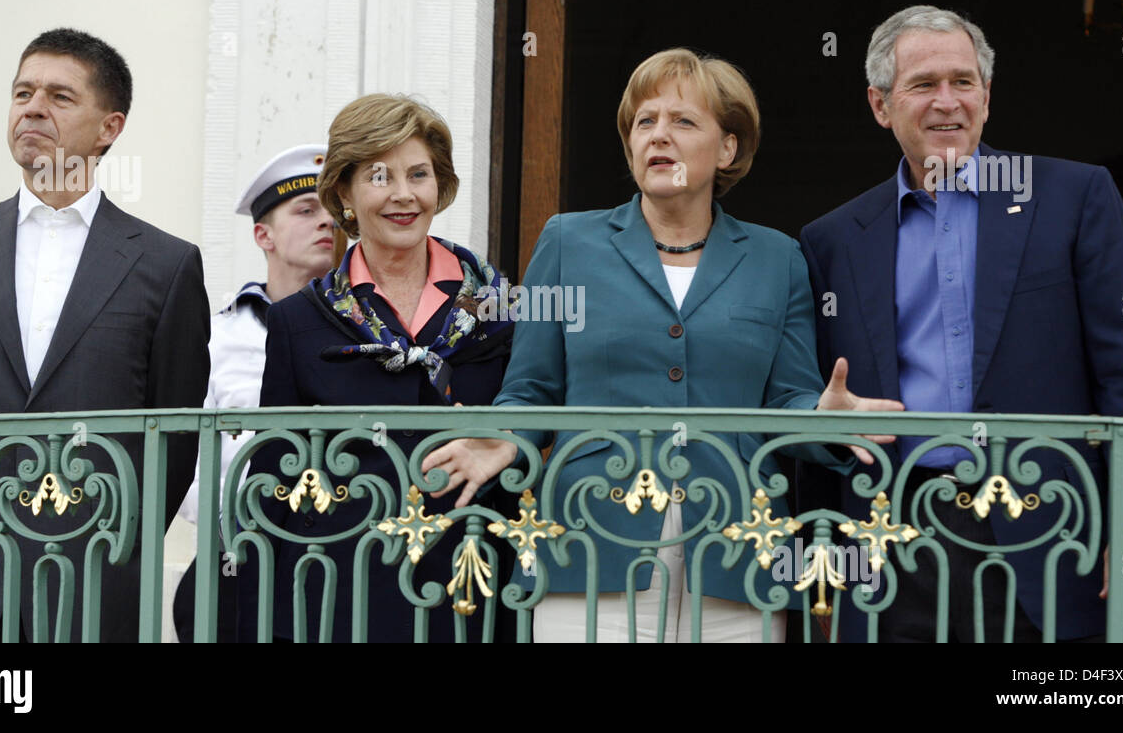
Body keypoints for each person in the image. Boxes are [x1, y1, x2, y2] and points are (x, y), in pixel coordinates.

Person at [424, 48, 901, 643]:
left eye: (683, 121)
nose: (659, 136)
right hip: (590, 547)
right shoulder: (570, 241)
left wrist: (824, 419)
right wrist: (505, 435)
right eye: (644, 121)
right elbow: (532, 390)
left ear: (727, 148)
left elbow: (788, 401)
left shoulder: (777, 257)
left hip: (737, 554)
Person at [797, 5, 1123, 642]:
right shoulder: (832, 240)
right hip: (891, 538)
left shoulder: (1073, 198)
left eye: (963, 82)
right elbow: (816, 400)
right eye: (923, 84)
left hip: (1048, 528)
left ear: (987, 97)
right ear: (880, 105)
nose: (948, 102)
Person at [0, 28, 210, 642]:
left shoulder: (167, 265)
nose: (33, 107)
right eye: (22, 92)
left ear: (110, 127)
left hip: (92, 580)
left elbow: (170, 437)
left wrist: (119, 542)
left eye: (60, 96)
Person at [234, 94, 516, 642]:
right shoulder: (298, 320)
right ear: (344, 191)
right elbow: (271, 478)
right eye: (381, 176)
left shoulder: (497, 306)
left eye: (420, 175)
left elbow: (537, 414)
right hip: (339, 589)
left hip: (471, 584)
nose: (404, 195)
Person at [171, 144, 337, 642]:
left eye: (334, 211)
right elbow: (186, 458)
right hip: (236, 559)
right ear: (262, 234)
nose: (326, 223)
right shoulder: (216, 338)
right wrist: (243, 523)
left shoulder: (369, 333)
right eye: (306, 211)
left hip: (340, 560)